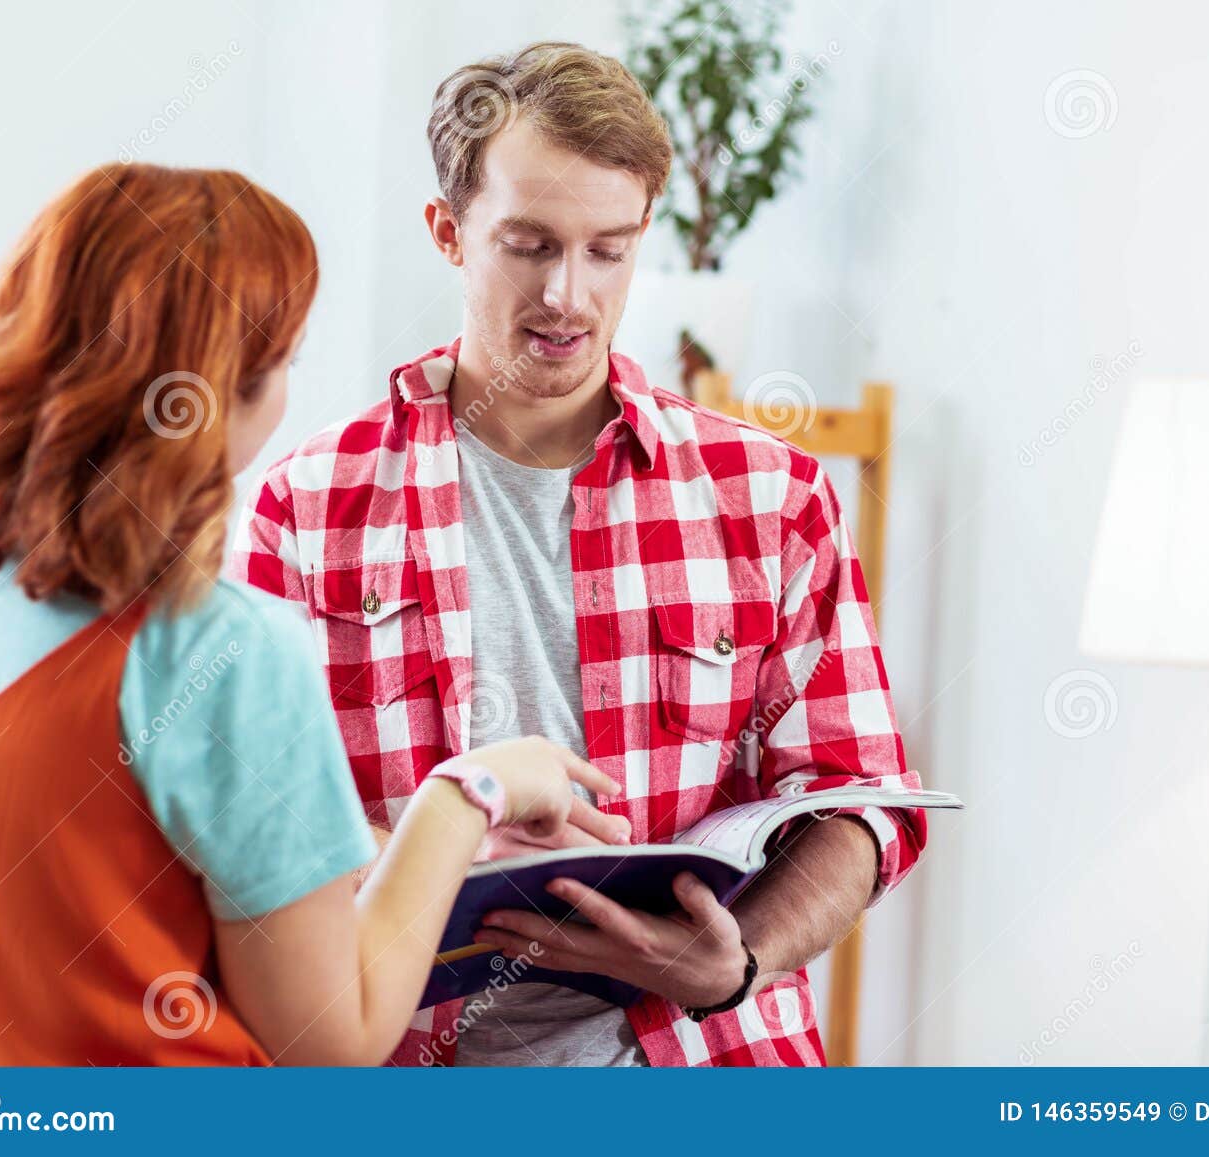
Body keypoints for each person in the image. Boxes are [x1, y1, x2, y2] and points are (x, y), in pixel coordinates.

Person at [231, 42, 929, 1068]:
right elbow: (260, 835)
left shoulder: (771, 493)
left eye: (608, 249)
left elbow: (860, 796)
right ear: (448, 233)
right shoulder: (308, 502)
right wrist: (436, 846)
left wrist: (735, 959)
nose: (569, 294)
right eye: (528, 244)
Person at [0, 162, 622, 1066]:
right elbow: (336, 1038)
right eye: (283, 359)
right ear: (225, 390)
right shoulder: (223, 648)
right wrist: (466, 795)